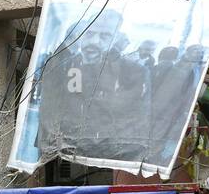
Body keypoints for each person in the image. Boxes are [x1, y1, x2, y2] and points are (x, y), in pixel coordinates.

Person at [35, 9, 152, 164]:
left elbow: (138, 118)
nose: (94, 41)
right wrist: (52, 144)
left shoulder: (134, 71)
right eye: (90, 34)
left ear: (115, 39)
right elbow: (50, 107)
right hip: (67, 151)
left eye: (104, 36)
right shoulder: (65, 65)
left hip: (113, 154)